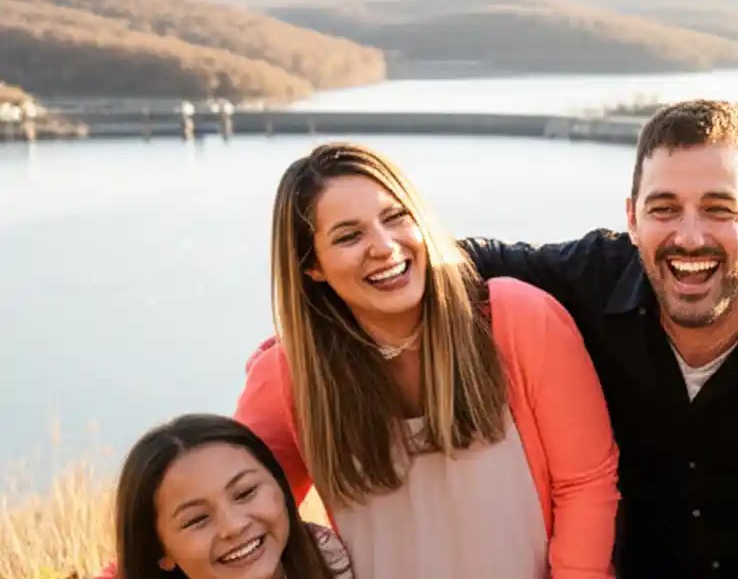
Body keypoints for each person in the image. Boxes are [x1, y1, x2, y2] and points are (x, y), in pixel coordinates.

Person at [461, 99, 738, 577]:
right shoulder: (594, 276)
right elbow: (453, 261)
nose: (690, 237)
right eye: (664, 208)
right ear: (632, 219)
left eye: (719, 209)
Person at [237, 142, 620, 577]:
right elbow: (234, 515)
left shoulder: (522, 321)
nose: (384, 246)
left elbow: (585, 485)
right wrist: (312, 554)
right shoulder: (289, 377)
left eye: (395, 217)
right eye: (349, 236)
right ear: (312, 267)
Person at [113, 413, 353, 579]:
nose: (235, 526)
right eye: (197, 519)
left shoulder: (329, 556)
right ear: (159, 551)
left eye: (246, 492)